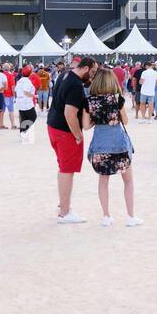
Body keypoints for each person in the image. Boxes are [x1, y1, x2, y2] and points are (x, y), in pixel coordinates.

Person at [86, 68, 139, 226]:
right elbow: (125, 120)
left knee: (103, 180)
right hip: (119, 146)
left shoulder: (89, 101)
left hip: (100, 145)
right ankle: (130, 217)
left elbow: (86, 126)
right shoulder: (118, 99)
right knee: (128, 181)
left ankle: (106, 216)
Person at [48, 56, 96, 223]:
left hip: (53, 126)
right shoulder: (76, 85)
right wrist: (77, 135)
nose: (92, 75)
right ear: (85, 68)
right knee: (67, 170)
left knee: (63, 169)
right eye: (92, 72)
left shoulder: (64, 74)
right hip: (65, 131)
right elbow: (70, 113)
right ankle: (65, 213)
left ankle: (64, 205)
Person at [15, 65, 38, 143]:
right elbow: (26, 92)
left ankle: (22, 132)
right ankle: (24, 131)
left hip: (20, 102)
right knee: (33, 116)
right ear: (30, 73)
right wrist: (34, 96)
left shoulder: (20, 80)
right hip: (26, 102)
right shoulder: (27, 81)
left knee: (24, 118)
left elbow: (16, 90)